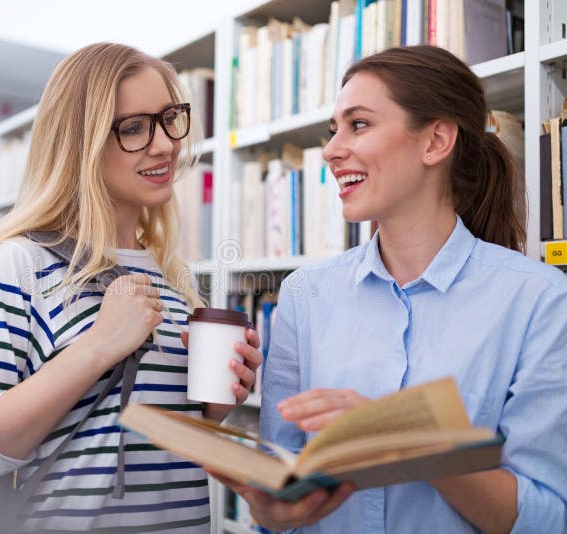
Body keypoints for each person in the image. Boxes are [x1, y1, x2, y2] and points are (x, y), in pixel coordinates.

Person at [215, 45, 567, 533]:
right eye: (333, 130)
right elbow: (286, 482)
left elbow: (547, 517)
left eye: (358, 124)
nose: (333, 150)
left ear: (435, 141)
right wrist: (272, 511)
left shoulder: (540, 301)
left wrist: (410, 441)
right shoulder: (304, 296)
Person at [0, 42, 263, 533]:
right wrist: (99, 346)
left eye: (171, 118)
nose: (167, 143)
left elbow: (137, 449)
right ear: (79, 143)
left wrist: (214, 407)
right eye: (133, 127)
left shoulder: (172, 280)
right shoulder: (20, 264)